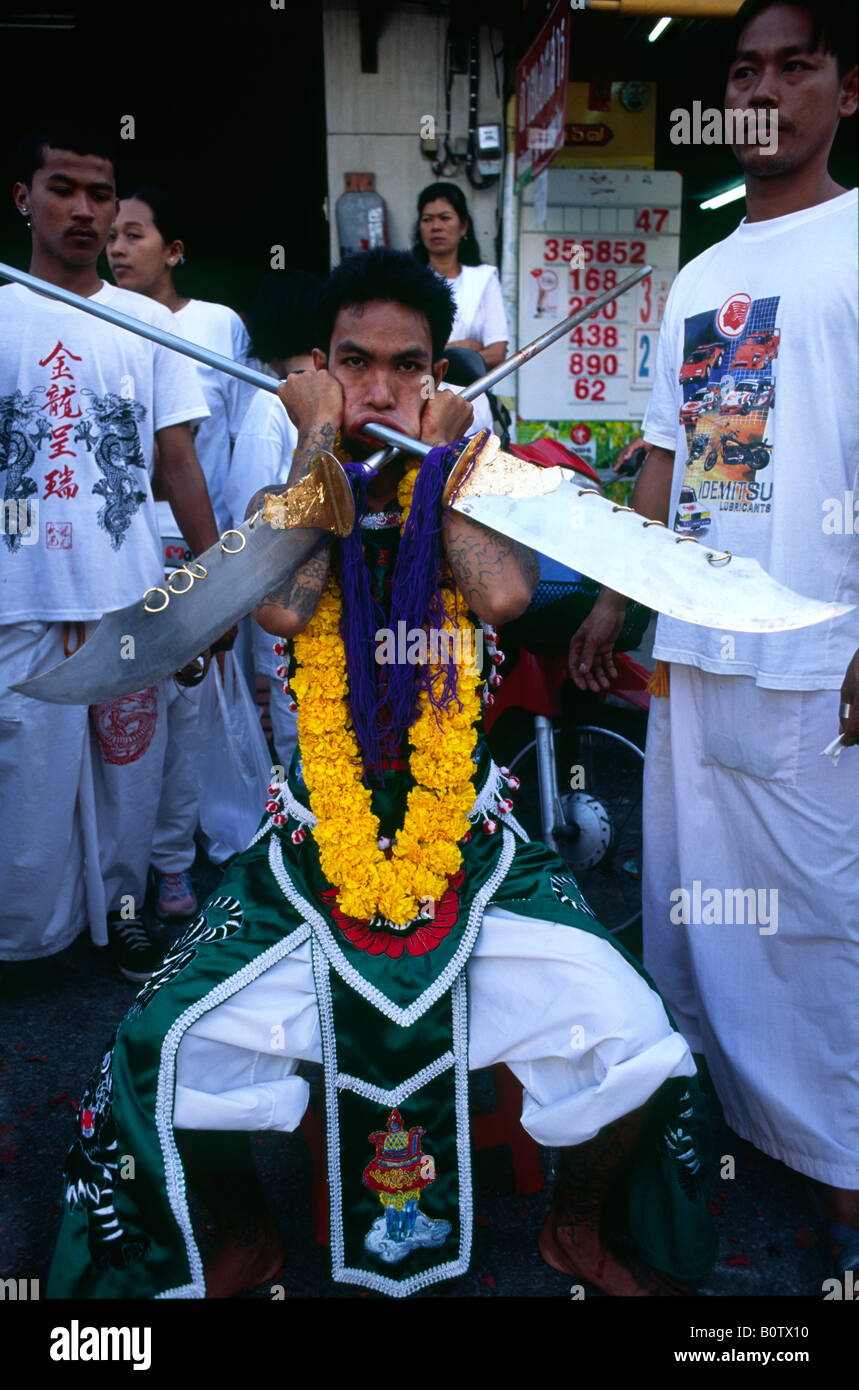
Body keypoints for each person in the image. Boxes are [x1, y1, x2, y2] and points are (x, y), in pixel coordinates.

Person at [48, 249, 715, 1301]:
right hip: (314, 843)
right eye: (354, 362)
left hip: (474, 848)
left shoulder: (476, 479)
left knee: (638, 1037)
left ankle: (575, 1227)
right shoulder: (300, 484)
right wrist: (313, 436)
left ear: (437, 379)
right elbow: (276, 608)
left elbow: (497, 598)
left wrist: (448, 463)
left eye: (408, 366)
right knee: (152, 1045)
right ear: (319, 367)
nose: (381, 389)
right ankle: (242, 1233)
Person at [570, 0, 859, 1278]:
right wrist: (610, 599)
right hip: (694, 652)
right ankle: (726, 1139)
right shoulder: (698, 273)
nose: (765, 90)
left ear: (846, 92)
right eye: (745, 70)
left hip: (816, 649)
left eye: (795, 67)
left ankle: (847, 1175)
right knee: (696, 920)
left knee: (820, 921)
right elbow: (667, 453)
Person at [0, 123, 225, 980]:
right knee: (27, 790)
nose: (85, 210)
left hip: (133, 600)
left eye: (101, 193)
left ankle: (126, 917)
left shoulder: (150, 324)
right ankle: (25, 940)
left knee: (132, 779)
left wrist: (214, 589)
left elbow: (178, 465)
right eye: (63, 188)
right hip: (22, 594)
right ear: (25, 198)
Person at [105, 186, 254, 920]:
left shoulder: (213, 324)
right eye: (112, 236)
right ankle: (112, 884)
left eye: (135, 234)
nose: (118, 247)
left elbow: (204, 449)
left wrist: (221, 558)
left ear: (174, 249)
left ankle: (180, 861)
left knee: (193, 711)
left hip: (197, 534)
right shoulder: (94, 318)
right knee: (121, 719)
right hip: (120, 544)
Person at [224, 269, 325, 774]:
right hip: (326, 608)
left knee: (303, 752)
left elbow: (249, 519)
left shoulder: (272, 403)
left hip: (288, 604)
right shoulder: (332, 396)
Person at [413, 181, 509, 370]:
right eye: (427, 219)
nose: (436, 226)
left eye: (445, 217)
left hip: (472, 392)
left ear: (463, 225)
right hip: (420, 391)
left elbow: (497, 353)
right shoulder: (409, 280)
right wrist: (462, 347)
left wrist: (436, 357)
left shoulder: (484, 278)